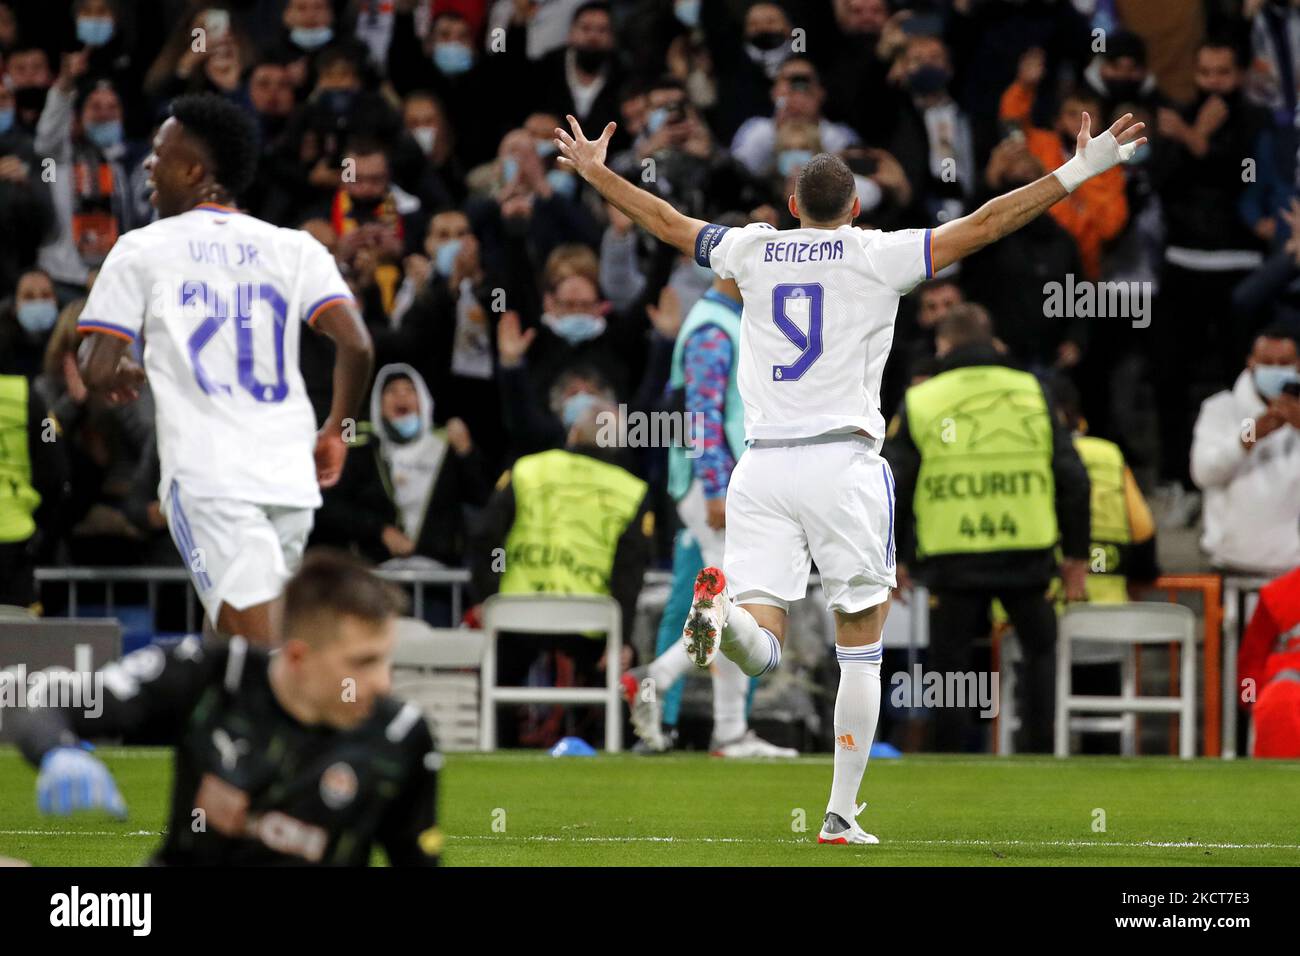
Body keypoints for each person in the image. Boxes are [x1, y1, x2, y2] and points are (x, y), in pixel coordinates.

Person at [554, 101, 1144, 842]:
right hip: (842, 463)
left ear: (793, 205)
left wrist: (599, 173)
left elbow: (668, 223)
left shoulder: (752, 249)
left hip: (761, 467)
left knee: (762, 642)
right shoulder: (881, 253)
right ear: (857, 205)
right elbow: (989, 222)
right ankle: (839, 813)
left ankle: (725, 616)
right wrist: (1079, 168)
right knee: (859, 647)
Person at [75, 93, 374, 645]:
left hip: (209, 475)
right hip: (289, 473)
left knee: (263, 643)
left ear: (193, 170)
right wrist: (335, 428)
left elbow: (93, 369)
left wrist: (115, 366)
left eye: (159, 153)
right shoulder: (295, 247)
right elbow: (356, 345)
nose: (147, 162)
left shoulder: (141, 248)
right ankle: (212, 729)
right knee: (240, 629)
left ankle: (323, 726)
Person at [16, 549, 443, 866]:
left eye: (385, 659)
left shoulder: (400, 737)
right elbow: (48, 702)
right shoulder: (212, 674)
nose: (383, 682)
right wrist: (57, 749)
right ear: (296, 657)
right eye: (362, 663)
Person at [886, 306, 1091, 755]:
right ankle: (1040, 754)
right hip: (1027, 548)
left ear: (943, 346)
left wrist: (894, 556)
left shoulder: (922, 399)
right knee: (1039, 654)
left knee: (951, 667)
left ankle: (951, 765)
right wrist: (1076, 557)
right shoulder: (1034, 391)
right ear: (993, 342)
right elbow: (1073, 478)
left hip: (950, 553)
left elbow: (893, 484)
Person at [623, 275, 795, 758]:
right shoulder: (713, 329)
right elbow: (698, 413)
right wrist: (717, 485)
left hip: (722, 483)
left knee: (732, 604)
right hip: (715, 488)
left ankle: (725, 729)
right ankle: (663, 683)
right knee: (734, 604)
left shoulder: (727, 322)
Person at [469, 400, 653, 748]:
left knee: (500, 671)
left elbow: (486, 539)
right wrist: (623, 639)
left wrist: (485, 597)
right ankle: (618, 750)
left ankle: (498, 749)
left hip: (517, 610)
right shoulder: (632, 491)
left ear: (572, 432)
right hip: (592, 619)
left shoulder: (527, 470)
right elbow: (628, 573)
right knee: (623, 674)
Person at [1189, 326, 1300, 576]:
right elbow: (1203, 472)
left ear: (1297, 365)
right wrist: (1252, 434)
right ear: (1251, 363)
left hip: (1294, 572)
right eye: (1267, 362)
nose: (1275, 369)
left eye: (1284, 362)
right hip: (1232, 566)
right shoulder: (1222, 408)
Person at [1238, 566, 1300, 759]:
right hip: (1290, 683)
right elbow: (1250, 664)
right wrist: (1249, 701)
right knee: (1279, 700)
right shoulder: (1277, 595)